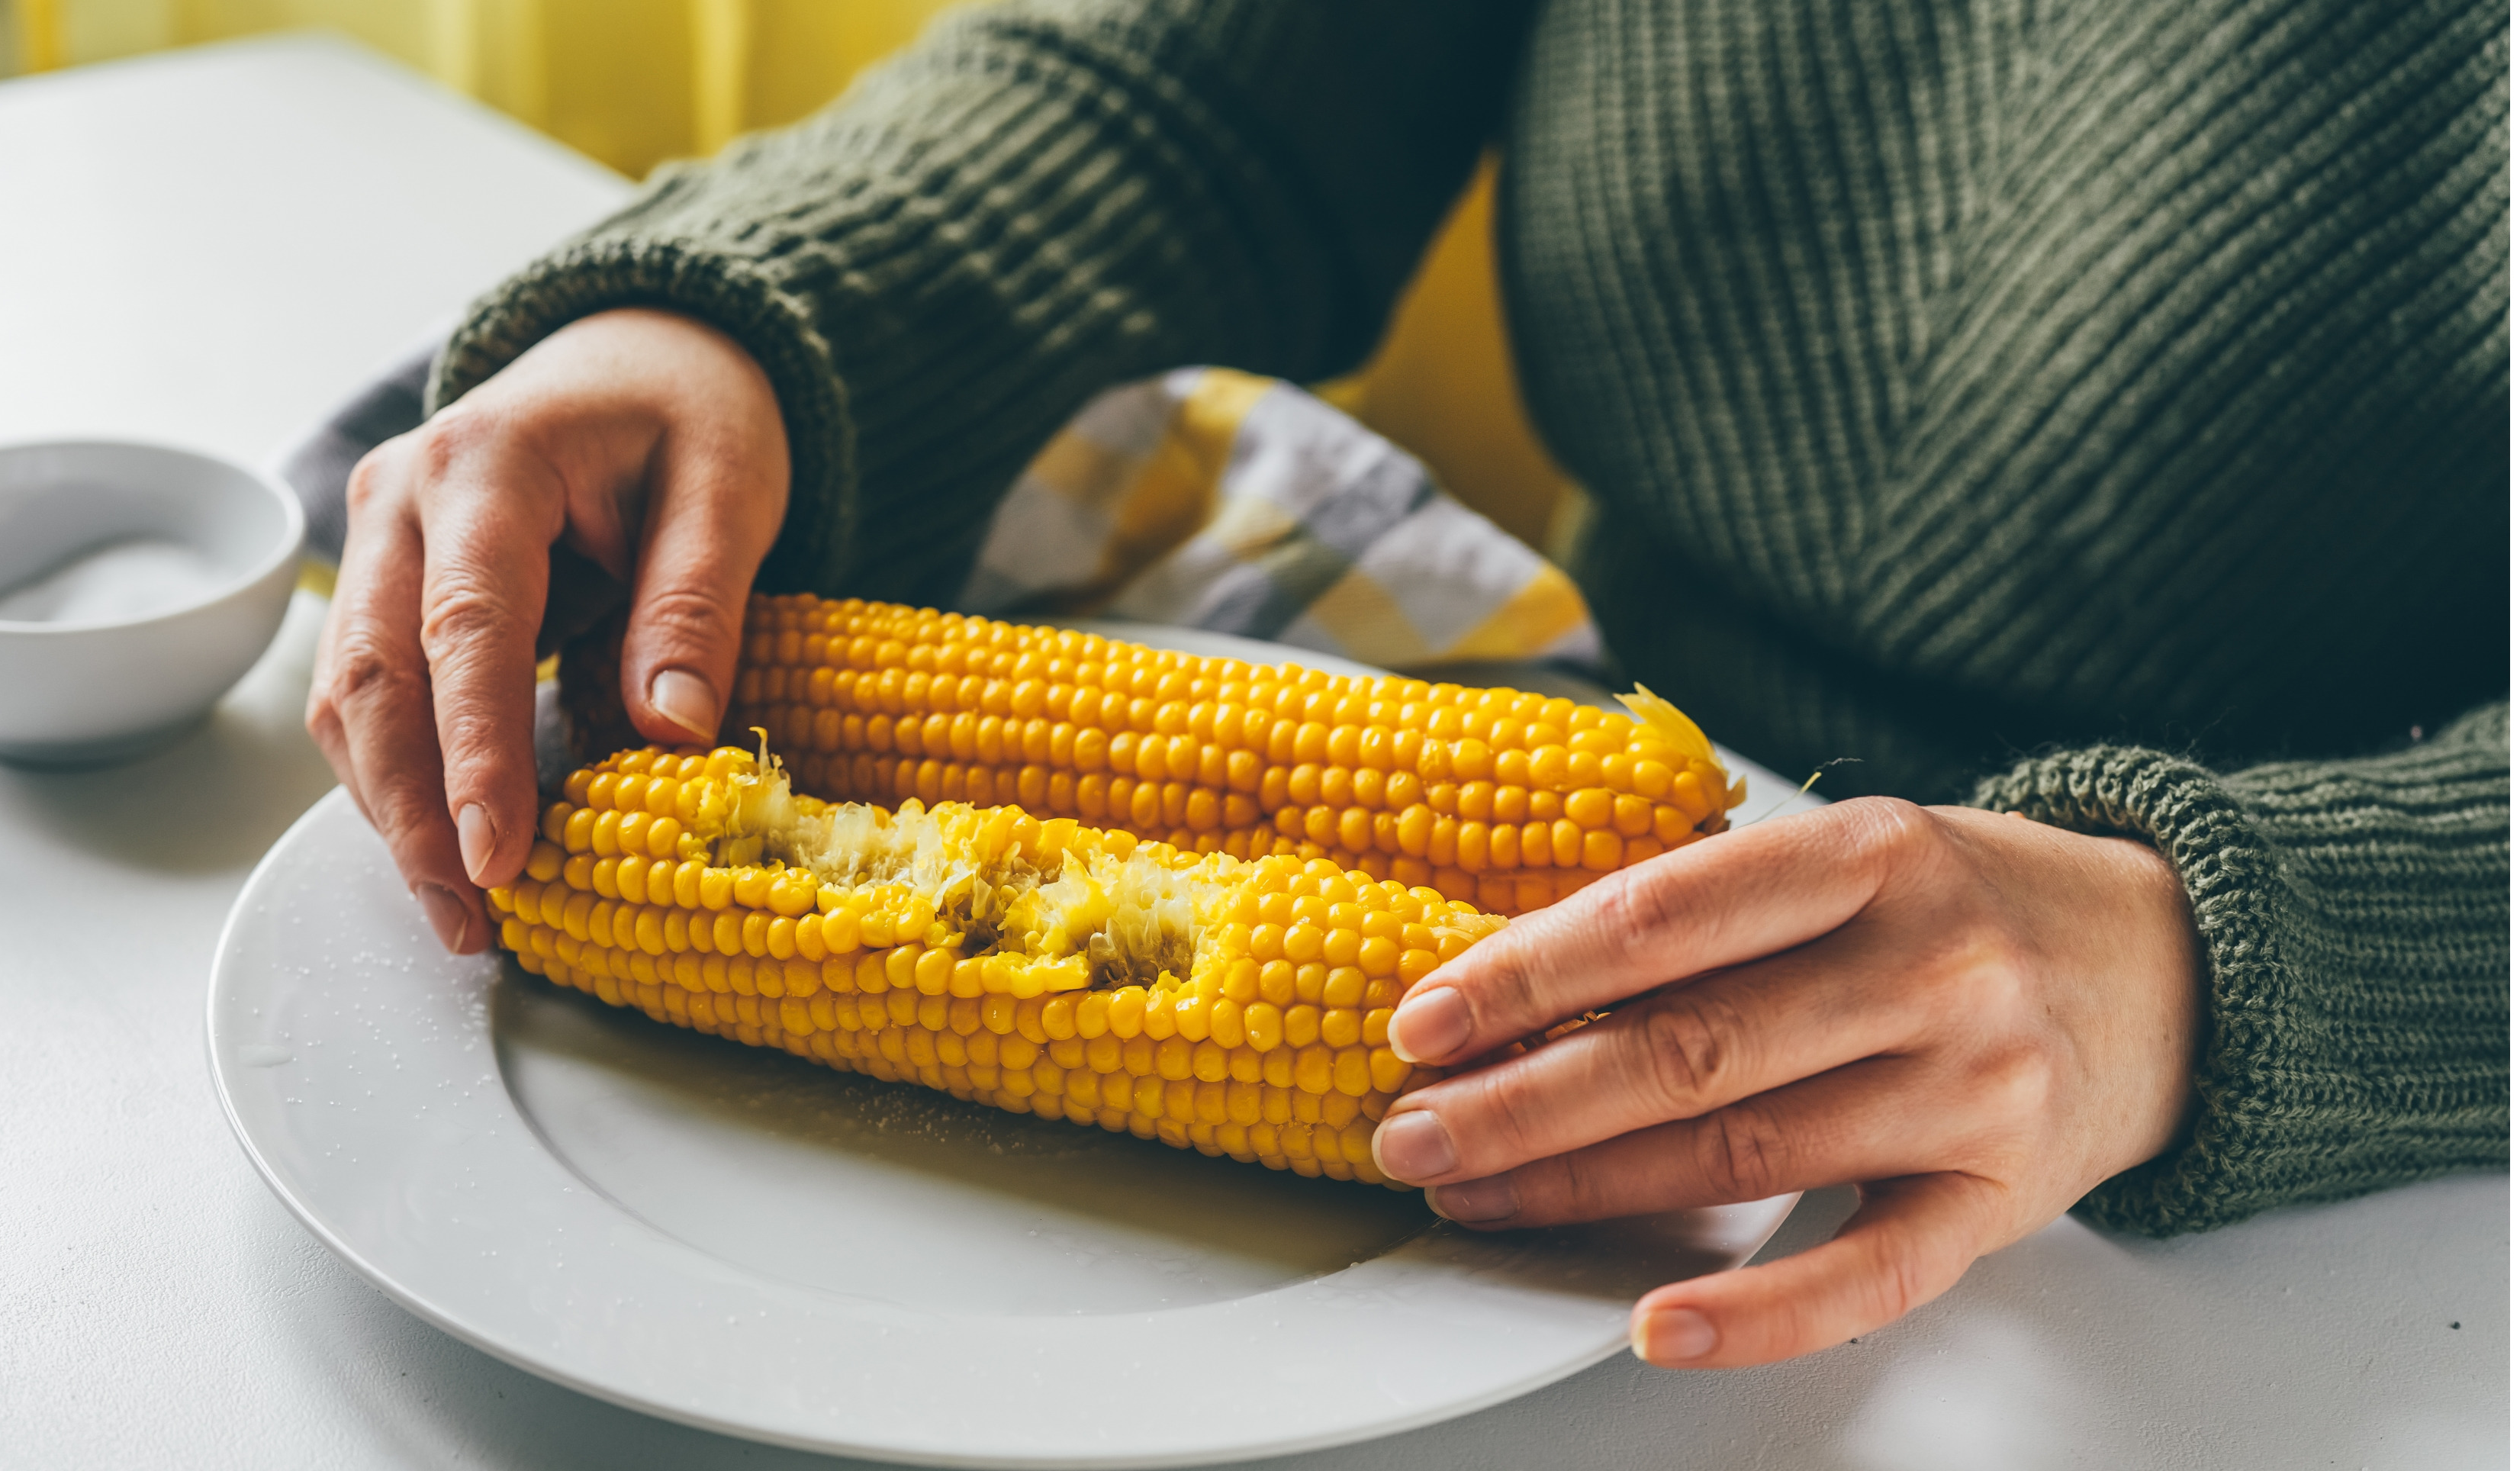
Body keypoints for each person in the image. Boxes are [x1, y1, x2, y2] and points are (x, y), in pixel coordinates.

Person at [308, 0, 2509, 1370]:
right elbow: (1196, 96)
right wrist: (724, 322)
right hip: (1626, 770)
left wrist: (2207, 952)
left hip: (2310, 1209)